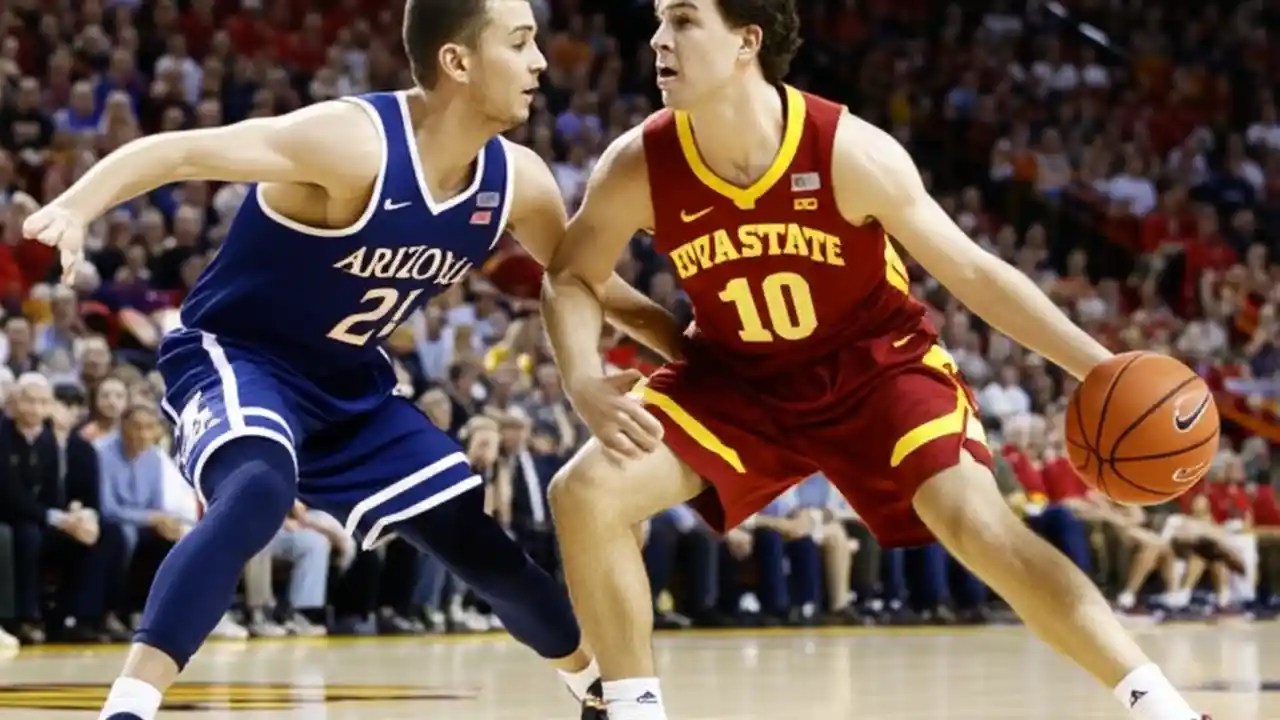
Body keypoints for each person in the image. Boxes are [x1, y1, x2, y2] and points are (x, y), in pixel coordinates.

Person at [540, 1, 1213, 719]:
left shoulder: (846, 150)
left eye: (681, 20)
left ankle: (1164, 710)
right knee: (585, 494)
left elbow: (976, 274)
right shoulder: (639, 163)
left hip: (876, 368)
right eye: (656, 20)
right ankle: (632, 710)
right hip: (738, 380)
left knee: (980, 527)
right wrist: (582, 377)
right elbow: (571, 274)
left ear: (746, 41)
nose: (657, 40)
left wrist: (1098, 367)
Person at [24, 1, 680, 719]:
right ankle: (129, 706)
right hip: (243, 355)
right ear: (457, 62)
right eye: (520, 43)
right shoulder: (351, 144)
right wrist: (79, 207)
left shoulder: (517, 180)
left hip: (351, 384)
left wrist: (691, 347)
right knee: (258, 490)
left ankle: (590, 684)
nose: (541, 63)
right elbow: (181, 151)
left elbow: (580, 278)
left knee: (473, 538)